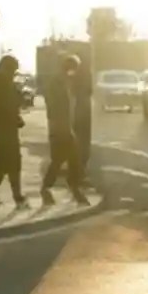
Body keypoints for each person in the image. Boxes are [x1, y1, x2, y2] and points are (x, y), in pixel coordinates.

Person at [41, 54, 89, 206]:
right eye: (74, 68)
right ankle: (57, 188)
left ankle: (70, 188)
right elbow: (54, 106)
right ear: (68, 67)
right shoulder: (57, 83)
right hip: (59, 127)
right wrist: (62, 126)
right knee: (63, 159)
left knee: (67, 159)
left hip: (64, 127)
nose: (74, 72)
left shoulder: (64, 82)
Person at [0, 55, 28, 206]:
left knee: (3, 165)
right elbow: (5, 107)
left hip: (2, 131)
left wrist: (16, 118)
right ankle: (17, 198)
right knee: (12, 163)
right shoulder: (0, 85)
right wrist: (14, 117)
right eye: (13, 71)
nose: (13, 74)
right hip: (2, 132)